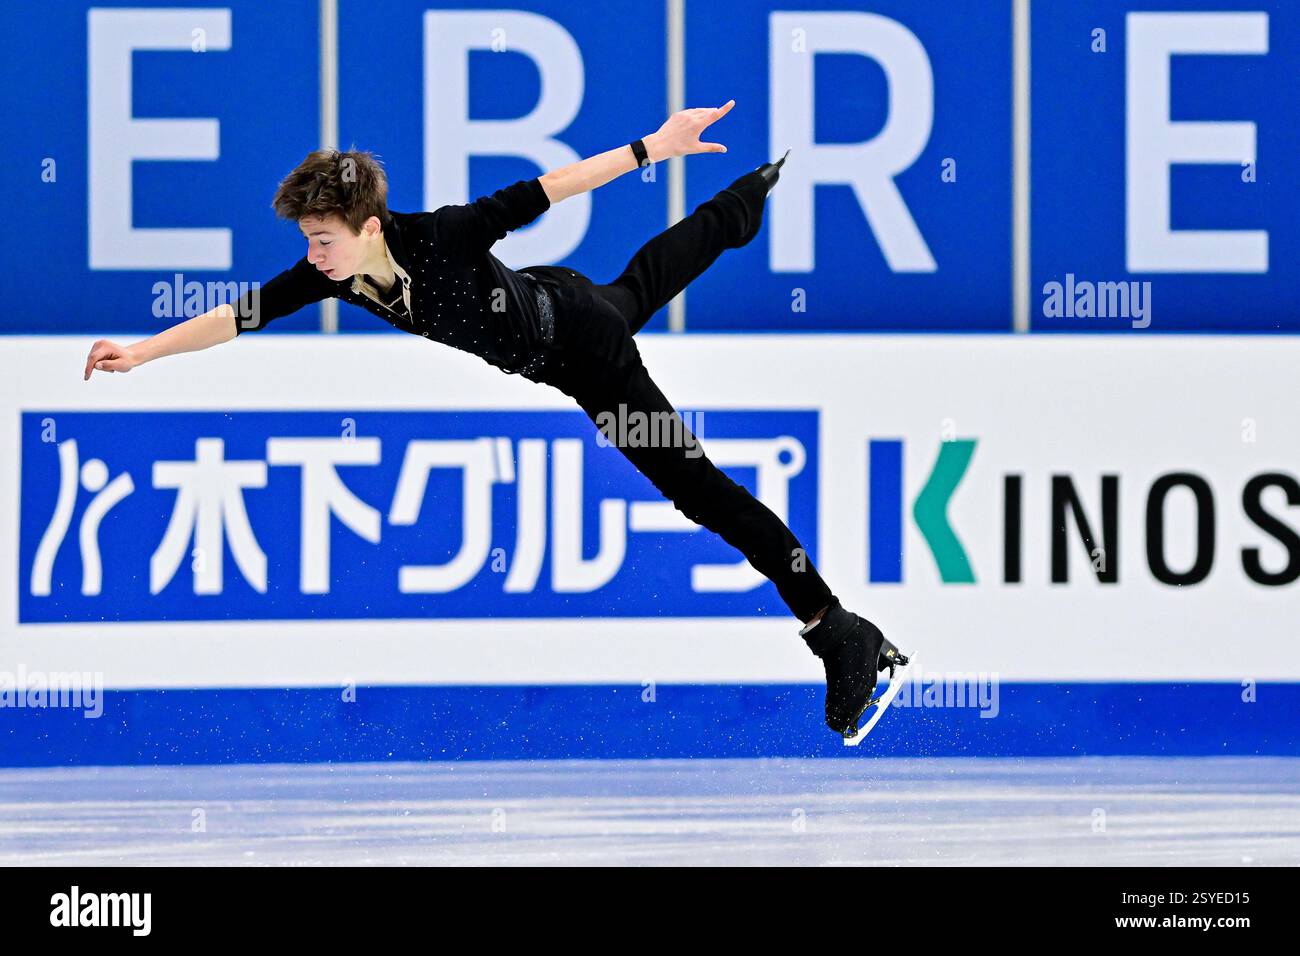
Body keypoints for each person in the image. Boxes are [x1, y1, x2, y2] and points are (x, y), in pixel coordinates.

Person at [82, 101, 907, 737]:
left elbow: (549, 188)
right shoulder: (332, 275)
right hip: (557, 312)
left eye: (323, 239)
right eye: (306, 239)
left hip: (583, 349)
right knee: (637, 287)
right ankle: (744, 203)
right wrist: (145, 352)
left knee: (698, 489)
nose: (312, 255)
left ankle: (838, 629)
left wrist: (656, 146)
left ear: (371, 226)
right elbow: (242, 313)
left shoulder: (442, 237)